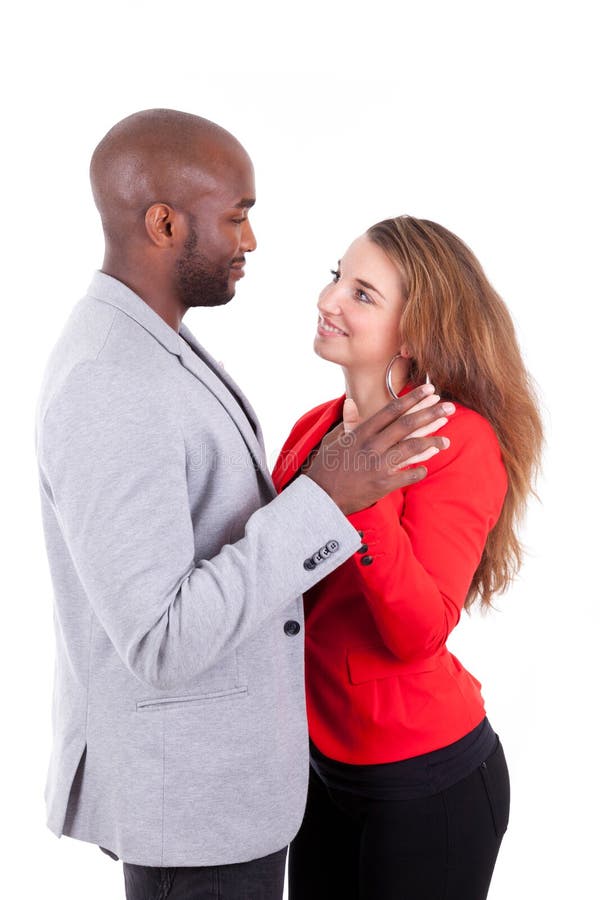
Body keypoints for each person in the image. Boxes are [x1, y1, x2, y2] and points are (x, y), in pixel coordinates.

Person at [34, 111, 454, 900]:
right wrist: (324, 497)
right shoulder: (111, 380)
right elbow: (159, 637)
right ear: (163, 224)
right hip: (192, 811)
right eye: (236, 216)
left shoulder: (149, 343)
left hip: (225, 795)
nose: (251, 241)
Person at [272, 216, 544, 900]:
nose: (328, 299)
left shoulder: (461, 443)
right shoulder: (315, 428)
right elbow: (276, 583)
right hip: (322, 766)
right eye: (338, 276)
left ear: (417, 332)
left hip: (427, 784)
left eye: (363, 294)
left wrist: (365, 488)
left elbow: (417, 631)